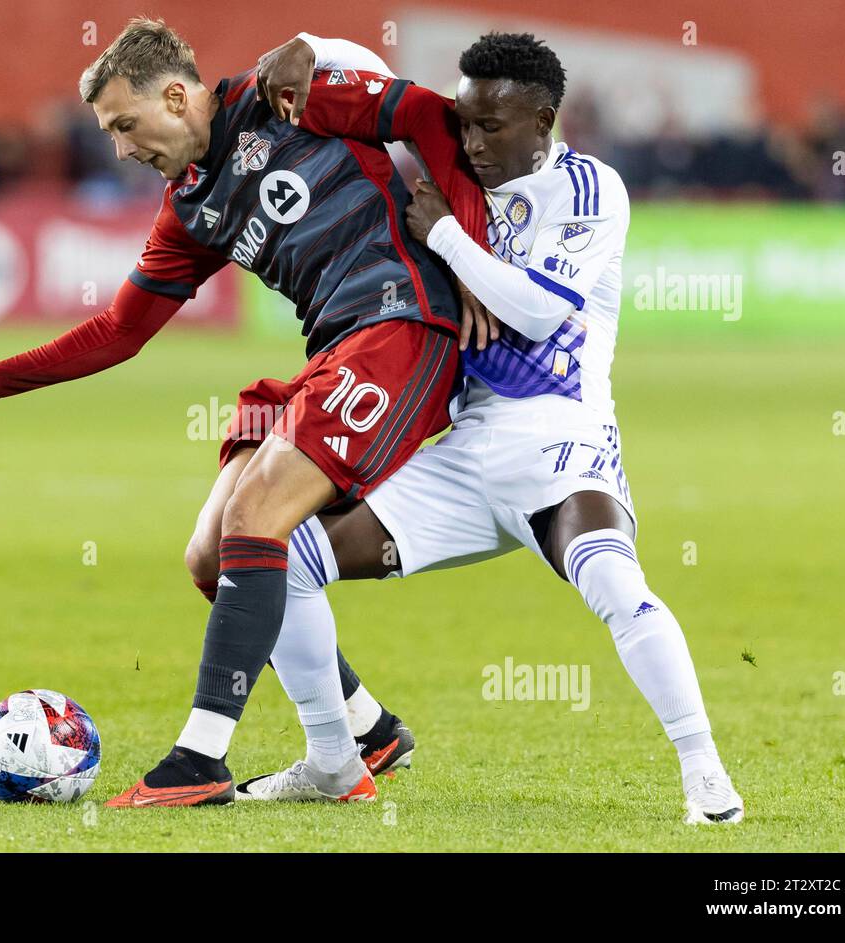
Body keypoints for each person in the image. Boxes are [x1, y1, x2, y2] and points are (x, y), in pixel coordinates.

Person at [0, 17, 493, 807]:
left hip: (403, 328)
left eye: (125, 125)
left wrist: (467, 251)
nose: (120, 149)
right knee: (211, 555)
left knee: (255, 517)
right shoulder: (190, 207)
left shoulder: (285, 95)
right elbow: (118, 331)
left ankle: (202, 756)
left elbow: (425, 113)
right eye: (109, 133)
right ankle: (366, 726)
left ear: (176, 97)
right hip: (332, 354)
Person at [238, 32, 744, 824]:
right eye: (465, 124)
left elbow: (540, 311)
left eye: (492, 127)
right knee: (272, 554)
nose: (471, 142)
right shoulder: (456, 167)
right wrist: (311, 45)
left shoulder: (588, 188)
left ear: (543, 119)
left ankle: (705, 773)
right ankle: (333, 757)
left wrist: (442, 234)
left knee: (616, 584)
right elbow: (375, 78)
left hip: (560, 442)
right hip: (464, 457)